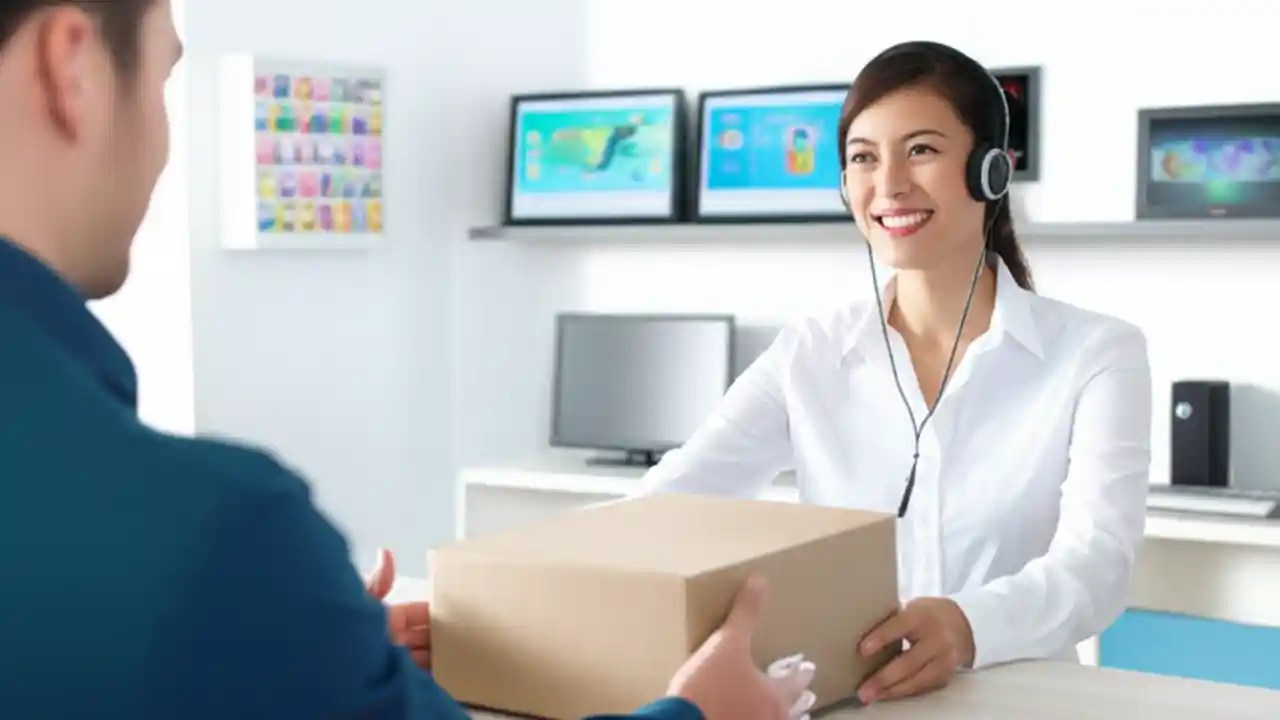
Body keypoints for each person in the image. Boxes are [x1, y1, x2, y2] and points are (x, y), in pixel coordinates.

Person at [0, 2, 819, 719]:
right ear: (70, 66)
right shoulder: (216, 532)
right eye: (163, 82)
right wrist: (697, 715)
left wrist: (300, 654)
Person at [638, 41, 1153, 705]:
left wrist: (968, 626)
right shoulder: (812, 352)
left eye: (922, 150)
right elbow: (672, 499)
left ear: (992, 170)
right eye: (863, 158)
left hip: (1024, 702)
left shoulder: (1097, 353)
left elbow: (1098, 565)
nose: (889, 185)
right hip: (853, 700)